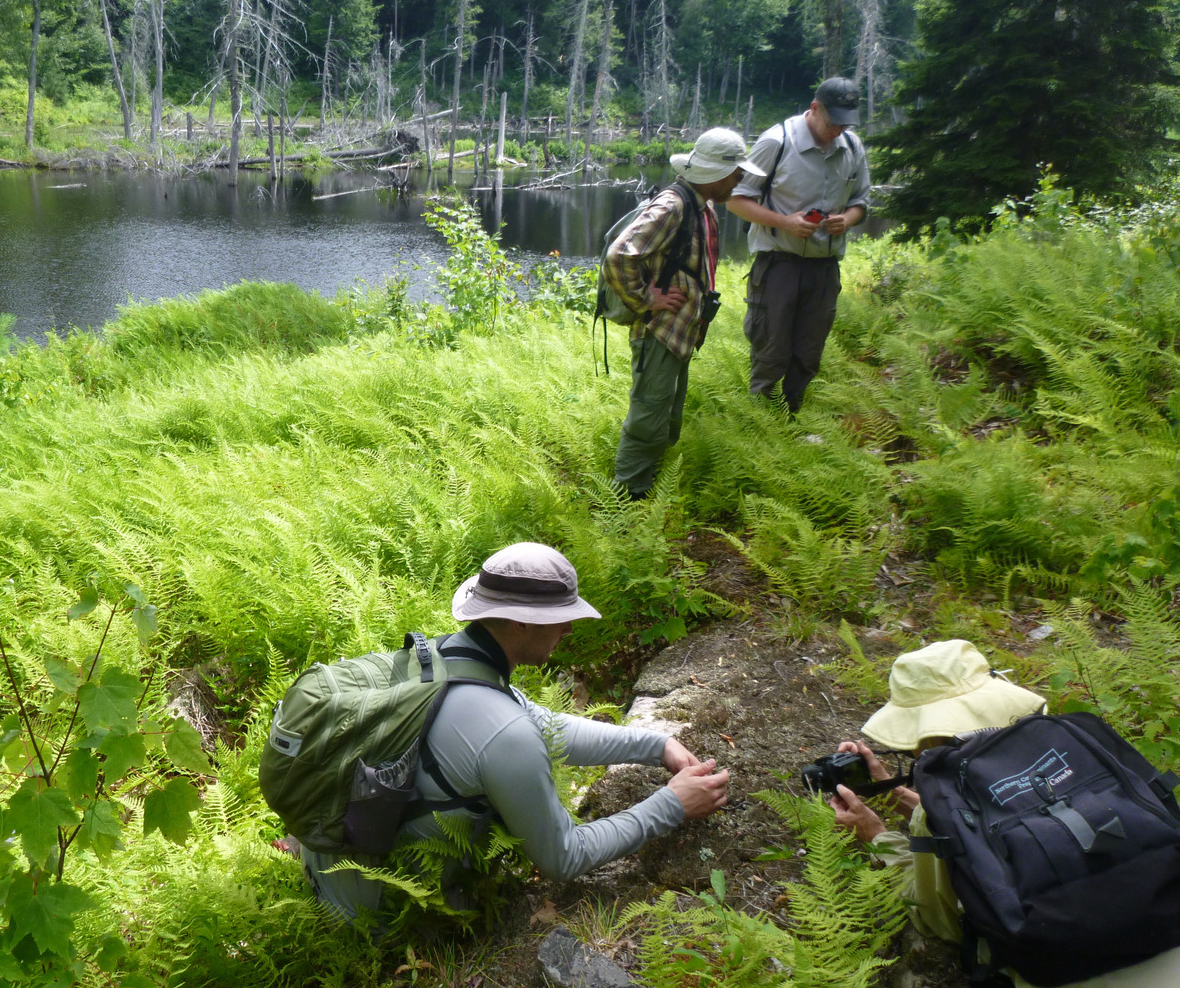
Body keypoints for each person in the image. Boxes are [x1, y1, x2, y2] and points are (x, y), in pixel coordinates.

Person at [300, 542, 731, 921]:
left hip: (334, 872)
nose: (569, 628)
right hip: (381, 918)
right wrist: (672, 804)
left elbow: (546, 726)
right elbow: (563, 857)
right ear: (519, 622)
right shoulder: (503, 733)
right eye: (561, 617)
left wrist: (657, 744)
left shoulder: (450, 656)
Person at [829, 640, 1180, 987]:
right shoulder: (1077, 742)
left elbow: (937, 918)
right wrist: (898, 797)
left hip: (1069, 971)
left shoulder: (939, 809)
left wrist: (877, 836)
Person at [603, 128, 765, 500]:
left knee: (666, 418)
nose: (740, 180)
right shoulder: (674, 206)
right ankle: (627, 500)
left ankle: (647, 484)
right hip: (660, 330)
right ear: (715, 172)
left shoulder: (701, 205)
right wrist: (647, 300)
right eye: (737, 172)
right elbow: (620, 255)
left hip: (680, 332)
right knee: (648, 418)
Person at [727, 77, 871, 414]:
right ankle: (760, 423)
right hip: (778, 266)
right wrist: (785, 222)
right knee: (770, 350)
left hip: (823, 269)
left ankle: (792, 419)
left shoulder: (852, 146)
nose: (839, 129)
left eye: (845, 122)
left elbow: (862, 202)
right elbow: (735, 200)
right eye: (833, 121)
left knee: (808, 353)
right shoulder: (776, 142)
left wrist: (847, 220)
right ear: (815, 108)